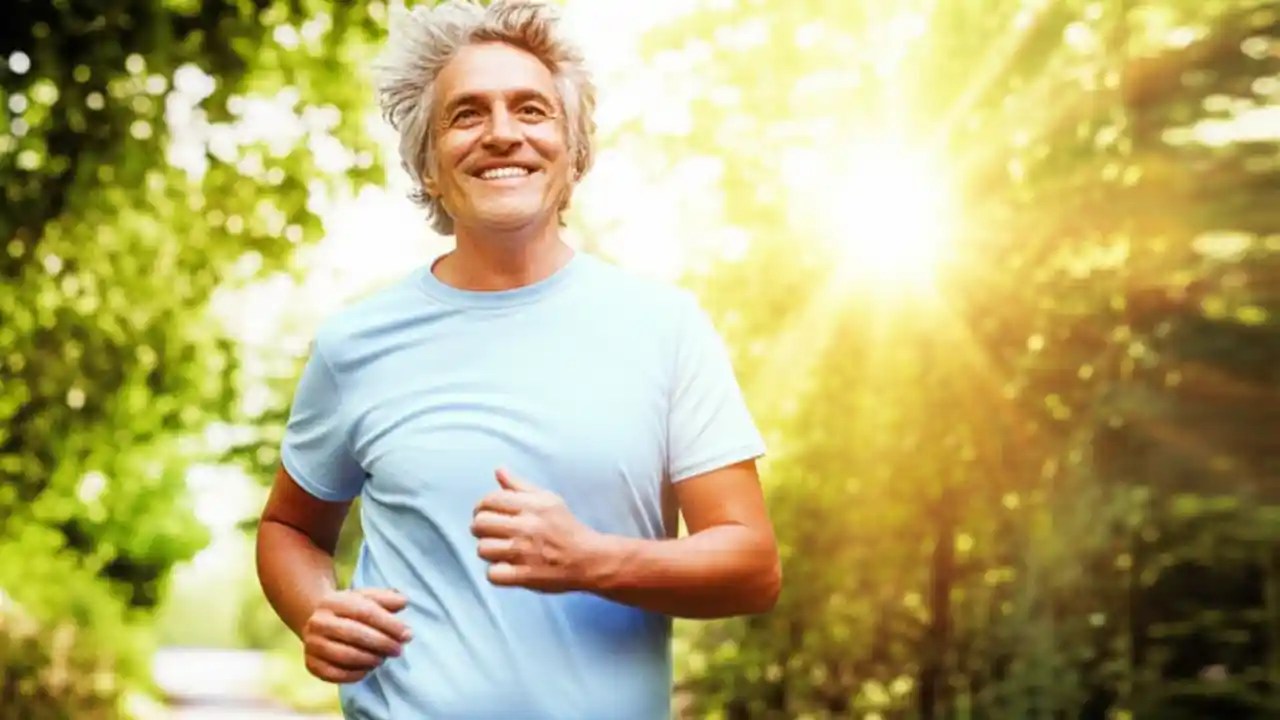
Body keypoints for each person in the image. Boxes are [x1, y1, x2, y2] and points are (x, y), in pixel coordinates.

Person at [254, 1, 781, 718]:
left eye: (530, 111)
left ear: (573, 155)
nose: (502, 134)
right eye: (467, 115)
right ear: (429, 166)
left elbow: (751, 566)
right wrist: (317, 611)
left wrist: (592, 559)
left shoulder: (665, 328)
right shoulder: (357, 344)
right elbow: (289, 528)